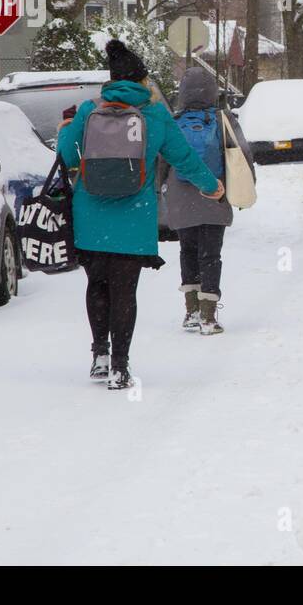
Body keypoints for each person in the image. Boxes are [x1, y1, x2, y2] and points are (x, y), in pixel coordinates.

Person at [57, 40, 224, 390]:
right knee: (124, 291)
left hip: (91, 217)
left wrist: (65, 129)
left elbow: (68, 158)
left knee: (97, 285)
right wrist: (211, 187)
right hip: (133, 219)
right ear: (143, 80)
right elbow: (184, 159)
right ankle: (121, 366)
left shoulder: (89, 110)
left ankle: (99, 355)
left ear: (112, 79)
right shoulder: (155, 114)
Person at [163, 66, 255, 336]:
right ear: (213, 93)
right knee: (211, 255)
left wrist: (162, 189)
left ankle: (190, 311)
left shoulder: (172, 122)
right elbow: (243, 155)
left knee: (187, 251)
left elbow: (161, 160)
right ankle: (208, 316)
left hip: (180, 195)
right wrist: (245, 187)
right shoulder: (223, 119)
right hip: (215, 192)